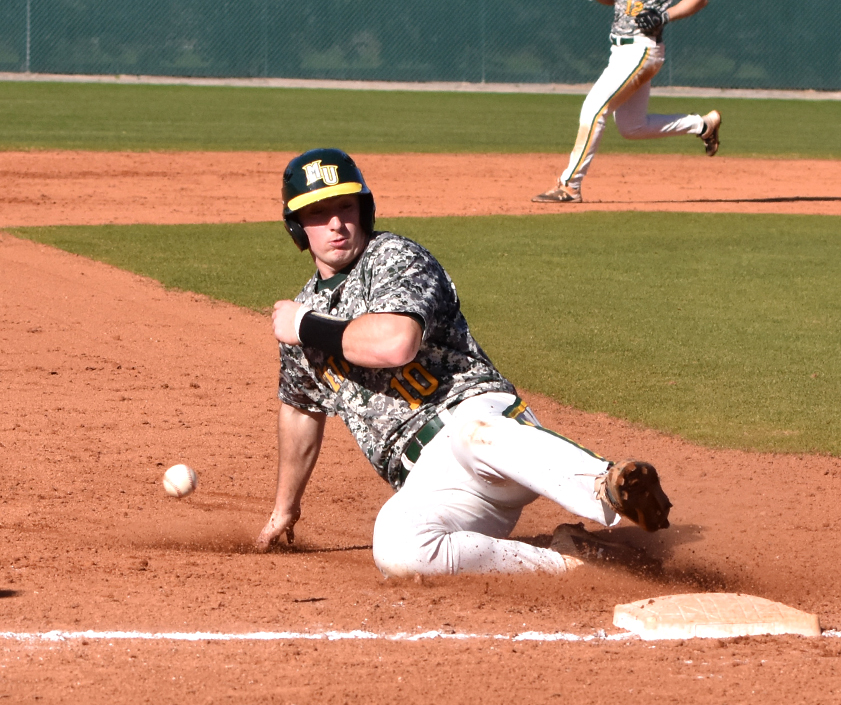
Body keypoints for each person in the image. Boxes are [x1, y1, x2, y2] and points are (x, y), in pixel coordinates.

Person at [260, 148, 674, 576]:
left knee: (474, 435)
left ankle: (605, 485)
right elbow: (301, 411)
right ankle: (574, 561)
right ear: (295, 226)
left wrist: (306, 325)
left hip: (481, 426)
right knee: (396, 547)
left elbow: (396, 343)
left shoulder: (393, 258)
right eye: (318, 212)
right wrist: (284, 510)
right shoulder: (302, 315)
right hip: (435, 481)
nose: (335, 223)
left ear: (363, 209)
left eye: (345, 207)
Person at [534, 0, 721, 205]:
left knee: (594, 110)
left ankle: (569, 186)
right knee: (633, 127)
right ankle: (703, 124)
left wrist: (665, 14)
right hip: (619, 50)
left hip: (643, 49)